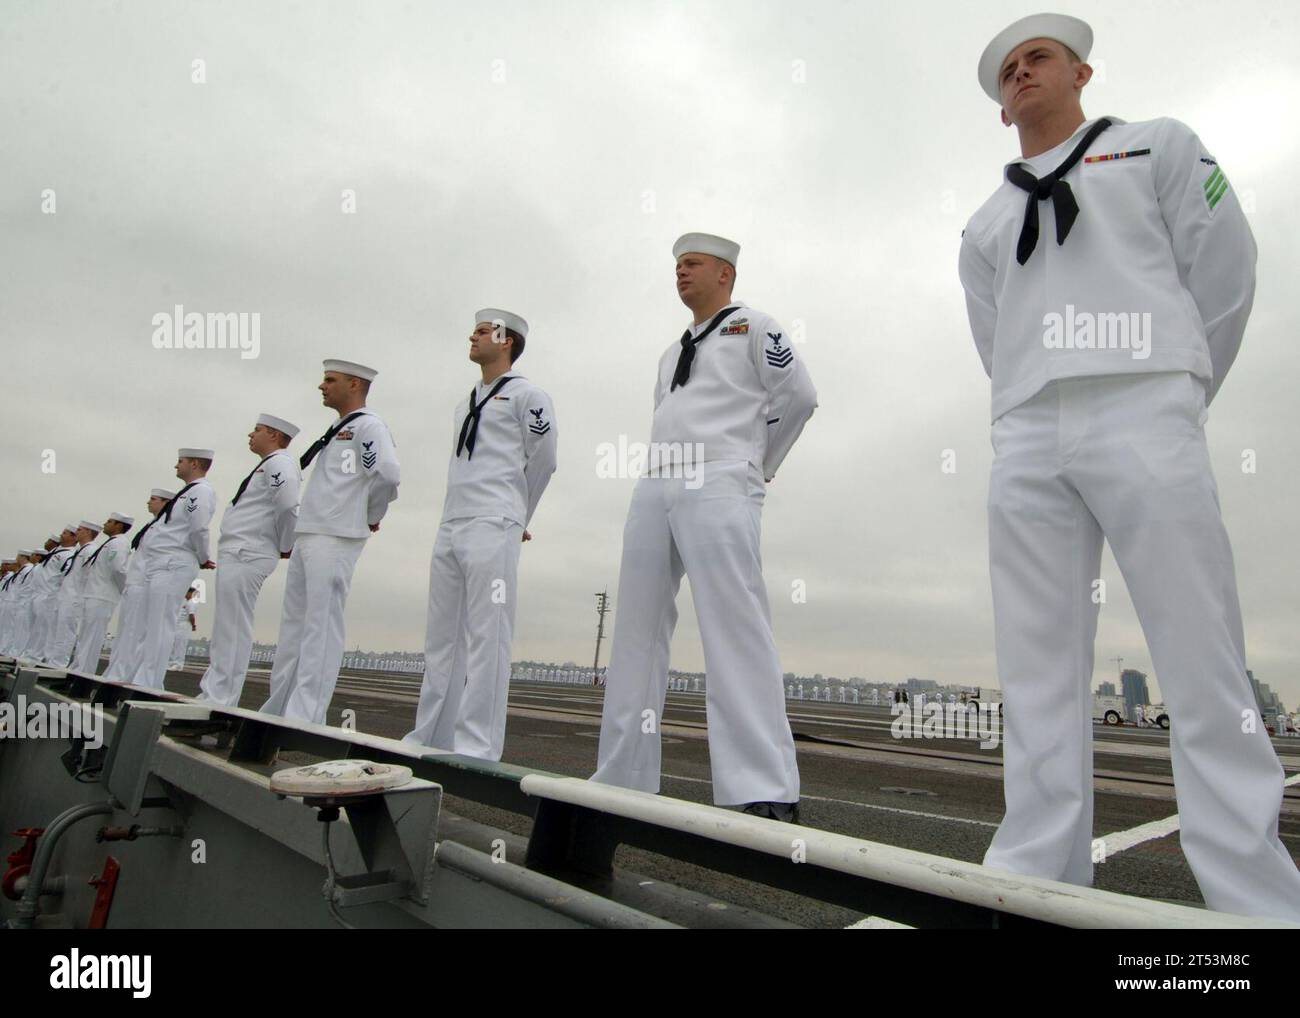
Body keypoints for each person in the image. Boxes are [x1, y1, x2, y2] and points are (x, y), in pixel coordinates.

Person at [959, 12, 1300, 920]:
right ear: (1001, 110)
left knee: (1201, 657)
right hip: (1031, 429)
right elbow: (994, 333)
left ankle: (1254, 899)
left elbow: (1227, 266)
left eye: (1040, 59)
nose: (1023, 74)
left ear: (1082, 73)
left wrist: (1182, 382)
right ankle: (1035, 871)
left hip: (1145, 402)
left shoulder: (1158, 147)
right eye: (1009, 72)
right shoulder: (988, 218)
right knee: (1036, 665)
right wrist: (1030, 402)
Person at [592, 232, 817, 821]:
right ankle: (623, 774)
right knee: (636, 630)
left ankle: (762, 784)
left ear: (726, 273)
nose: (681, 272)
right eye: (676, 266)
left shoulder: (755, 326)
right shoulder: (672, 353)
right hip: (656, 481)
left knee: (733, 623)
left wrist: (756, 462)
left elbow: (798, 396)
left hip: (719, 476)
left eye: (692, 264)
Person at [405, 309, 557, 760]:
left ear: (506, 340)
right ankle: (430, 736)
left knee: (488, 635)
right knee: (442, 638)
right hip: (453, 520)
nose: (471, 336)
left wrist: (517, 516)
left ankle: (476, 746)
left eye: (481, 331)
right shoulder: (466, 400)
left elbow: (544, 460)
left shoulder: (528, 396)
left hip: (494, 521)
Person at [261, 360, 399, 725]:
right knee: (295, 628)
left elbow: (386, 474)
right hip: (311, 531)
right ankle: (280, 709)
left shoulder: (368, 426)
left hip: (336, 534)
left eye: (330, 380)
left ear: (354, 384)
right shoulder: (340, 427)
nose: (322, 386)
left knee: (320, 627)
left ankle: (305, 716)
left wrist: (370, 515)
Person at [198, 413, 301, 706]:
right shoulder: (268, 465)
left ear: (273, 434)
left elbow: (287, 507)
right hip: (240, 550)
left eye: (256, 430)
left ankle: (221, 696)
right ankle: (215, 691)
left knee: (232, 626)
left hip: (249, 551)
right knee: (226, 625)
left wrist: (285, 544)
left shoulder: (280, 463)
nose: (250, 435)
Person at [131, 450, 217, 689]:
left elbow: (198, 527)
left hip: (174, 562)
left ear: (195, 463)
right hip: (161, 562)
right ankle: (138, 677)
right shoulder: (186, 493)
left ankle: (149, 682)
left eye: (180, 461)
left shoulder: (200, 491)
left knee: (160, 624)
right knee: (149, 624)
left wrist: (202, 556)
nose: (175, 466)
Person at [103, 489, 173, 682]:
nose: (148, 502)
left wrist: (128, 585)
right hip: (135, 583)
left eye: (153, 499)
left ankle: (123, 675)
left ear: (166, 502)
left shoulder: (167, 524)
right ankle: (117, 673)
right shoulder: (153, 524)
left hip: (142, 583)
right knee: (126, 633)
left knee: (134, 633)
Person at [70, 513, 134, 674]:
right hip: (94, 594)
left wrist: (123, 590)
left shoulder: (119, 543)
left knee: (92, 638)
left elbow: (119, 569)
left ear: (119, 526)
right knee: (85, 637)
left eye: (109, 522)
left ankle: (83, 675)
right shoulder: (110, 543)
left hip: (103, 596)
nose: (105, 524)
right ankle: (77, 670)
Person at [46, 522, 102, 667]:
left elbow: (91, 575)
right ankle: (50, 660)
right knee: (56, 631)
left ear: (89, 532)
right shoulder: (80, 551)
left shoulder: (90, 551)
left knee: (65, 632)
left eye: (80, 529)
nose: (76, 532)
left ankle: (58, 664)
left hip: (74, 597)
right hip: (65, 596)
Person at [168, 587, 198, 670]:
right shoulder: (185, 602)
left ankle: (178, 664)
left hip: (185, 625)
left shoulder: (192, 602)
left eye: (186, 592)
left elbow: (192, 616)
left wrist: (193, 625)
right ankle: (172, 663)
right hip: (178, 625)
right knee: (175, 643)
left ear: (190, 593)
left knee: (180, 645)